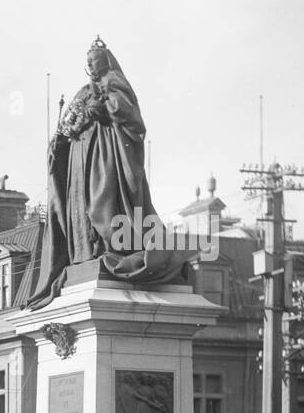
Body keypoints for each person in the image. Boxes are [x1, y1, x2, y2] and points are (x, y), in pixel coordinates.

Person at [25, 37, 193, 310]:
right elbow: (68, 124)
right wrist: (60, 142)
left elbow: (132, 120)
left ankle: (109, 247)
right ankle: (86, 252)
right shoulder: (82, 91)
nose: (91, 64)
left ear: (106, 61)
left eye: (95, 60)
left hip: (105, 158)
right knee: (82, 211)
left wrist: (104, 109)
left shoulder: (114, 83)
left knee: (101, 204)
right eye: (88, 61)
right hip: (80, 162)